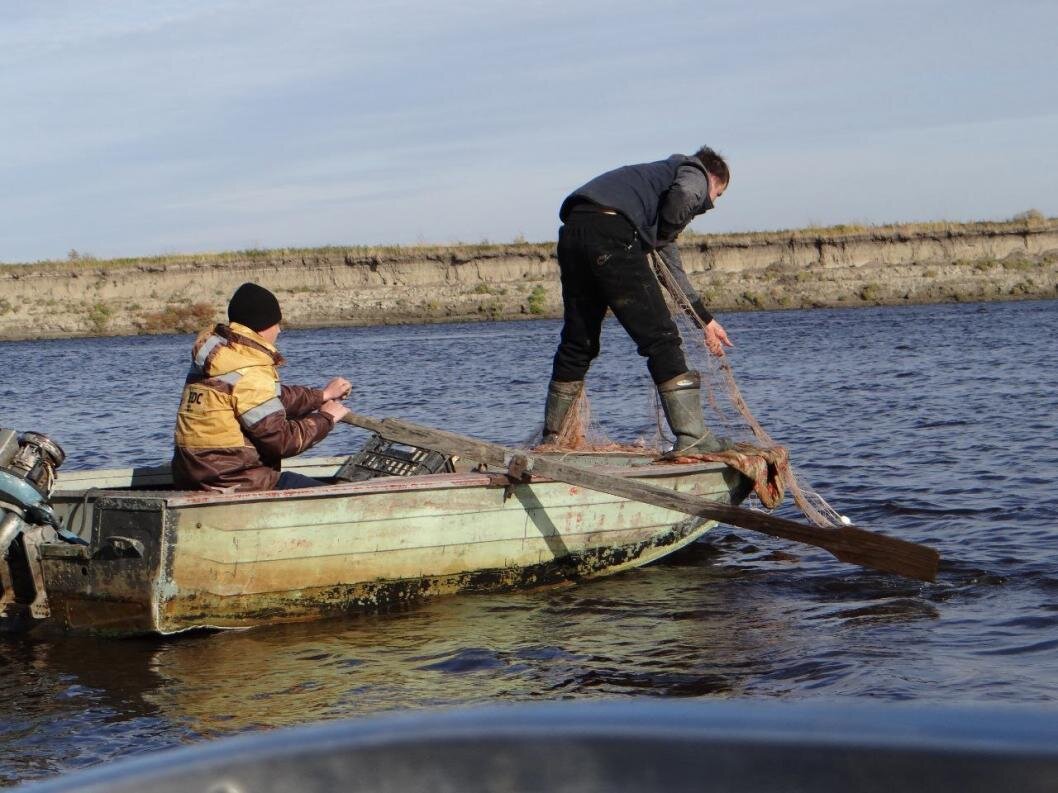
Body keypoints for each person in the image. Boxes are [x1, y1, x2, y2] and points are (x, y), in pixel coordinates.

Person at [544, 145, 734, 454]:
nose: (710, 204)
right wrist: (668, 230)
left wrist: (705, 320)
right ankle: (693, 438)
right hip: (611, 232)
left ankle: (554, 438)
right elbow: (687, 195)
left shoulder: (650, 195)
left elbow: (671, 270)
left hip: (574, 231)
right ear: (713, 178)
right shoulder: (694, 173)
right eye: (718, 195)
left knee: (579, 342)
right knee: (662, 339)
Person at [172, 282, 351, 492]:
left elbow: (269, 399)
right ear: (263, 326)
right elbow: (281, 440)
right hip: (237, 482)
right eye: (276, 323)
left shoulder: (219, 359)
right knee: (336, 496)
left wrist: (321, 395)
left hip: (196, 477)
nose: (279, 330)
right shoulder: (250, 370)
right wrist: (324, 418)